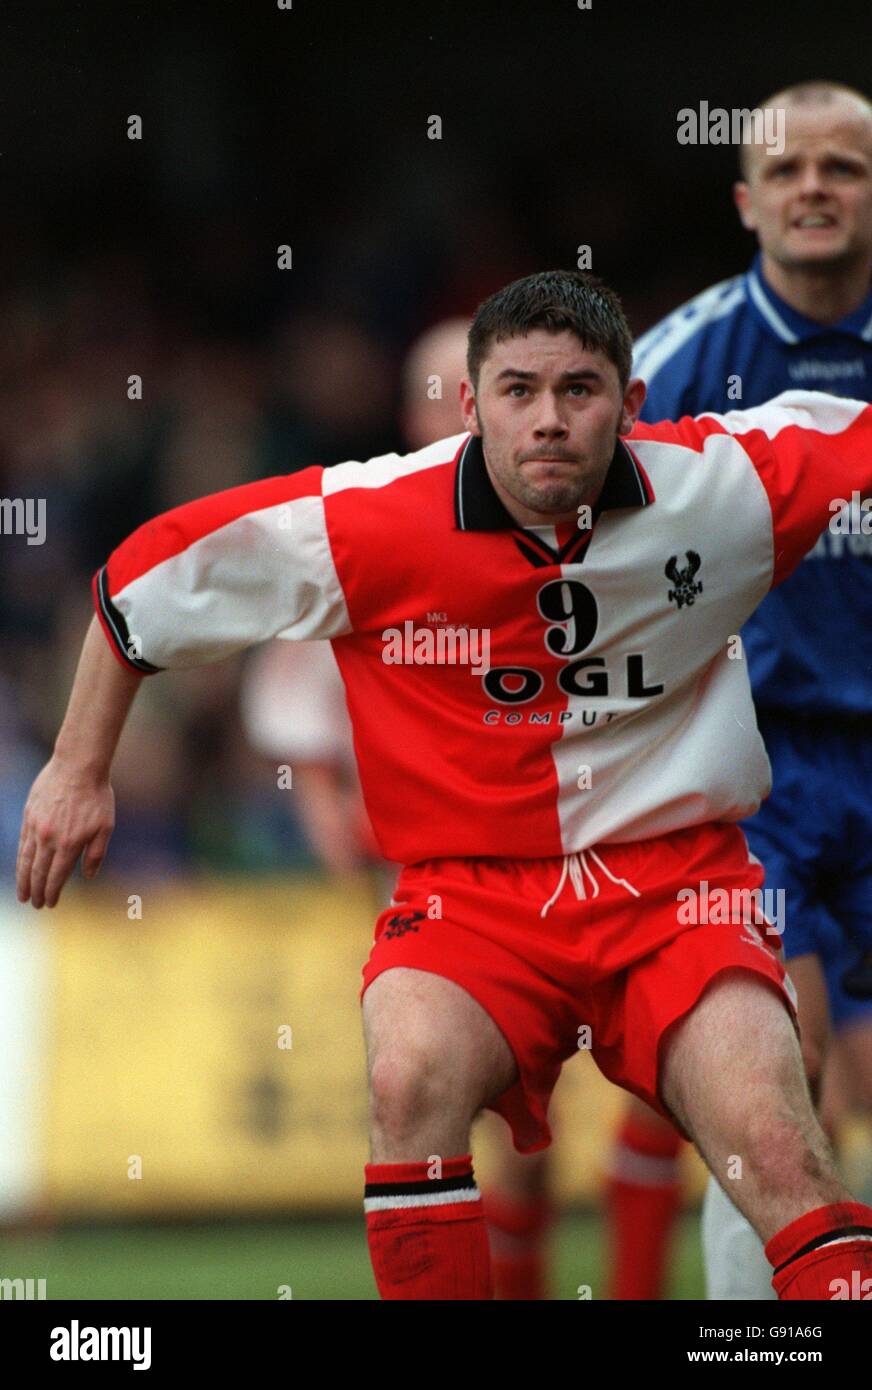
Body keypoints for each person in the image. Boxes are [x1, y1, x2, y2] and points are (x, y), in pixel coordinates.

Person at [16, 269, 872, 1301]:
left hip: (675, 889)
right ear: (470, 407)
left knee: (775, 1140)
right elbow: (139, 583)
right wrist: (76, 768)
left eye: (578, 390)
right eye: (517, 391)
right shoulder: (371, 518)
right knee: (406, 1074)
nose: (547, 420)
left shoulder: (720, 487)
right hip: (472, 897)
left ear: (632, 403)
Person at [616, 80, 872, 1301]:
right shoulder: (673, 366)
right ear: (745, 198)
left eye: (841, 167)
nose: (813, 189)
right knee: (776, 1068)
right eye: (787, 171)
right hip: (757, 780)